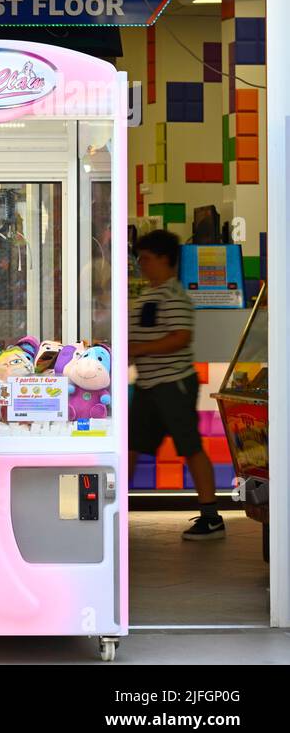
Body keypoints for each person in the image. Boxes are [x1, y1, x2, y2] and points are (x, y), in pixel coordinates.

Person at [128, 229, 224, 540]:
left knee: (190, 447)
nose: (141, 264)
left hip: (173, 385)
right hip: (148, 386)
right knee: (130, 446)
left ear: (165, 260)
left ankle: (211, 517)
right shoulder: (148, 296)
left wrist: (138, 349)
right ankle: (114, 510)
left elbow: (180, 338)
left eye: (146, 258)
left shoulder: (175, 296)